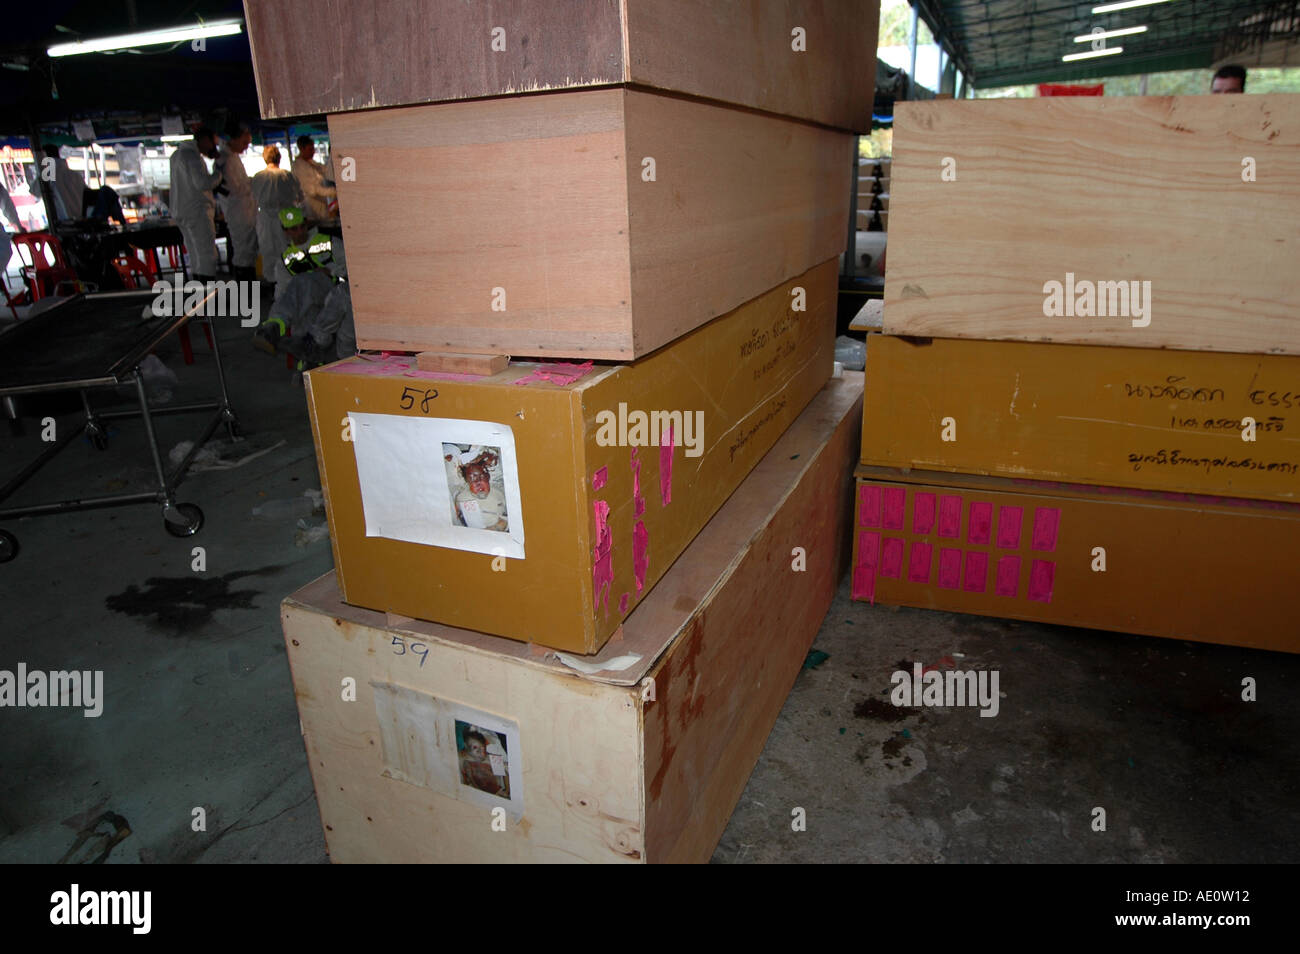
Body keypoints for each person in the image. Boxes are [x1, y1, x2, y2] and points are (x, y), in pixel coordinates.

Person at [251, 206, 354, 369]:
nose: (299, 232)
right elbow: (283, 294)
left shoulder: (328, 242)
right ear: (286, 231)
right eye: (293, 229)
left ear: (306, 224)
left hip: (337, 289)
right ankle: (308, 355)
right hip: (311, 301)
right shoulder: (285, 260)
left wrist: (330, 271)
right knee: (302, 300)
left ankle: (278, 330)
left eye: (301, 226)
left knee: (305, 282)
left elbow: (353, 269)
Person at [168, 126, 223, 281]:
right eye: (213, 143)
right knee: (206, 254)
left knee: (195, 255)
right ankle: (209, 296)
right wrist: (218, 175)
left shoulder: (177, 155)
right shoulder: (192, 156)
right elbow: (202, 183)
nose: (214, 148)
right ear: (205, 140)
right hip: (196, 212)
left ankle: (201, 296)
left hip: (182, 212)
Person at [250, 145, 304, 297]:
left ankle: (274, 286)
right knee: (287, 250)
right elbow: (300, 197)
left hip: (265, 219)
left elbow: (252, 198)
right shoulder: (287, 175)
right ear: (279, 158)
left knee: (268, 251)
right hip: (286, 217)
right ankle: (289, 285)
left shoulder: (258, 177)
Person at [216, 123, 259, 282]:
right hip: (237, 213)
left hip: (245, 211)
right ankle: (246, 289)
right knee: (243, 252)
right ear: (234, 139)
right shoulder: (225, 160)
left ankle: (249, 288)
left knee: (248, 251)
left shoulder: (232, 157)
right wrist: (252, 184)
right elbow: (235, 188)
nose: (246, 147)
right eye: (244, 143)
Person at [453, 452, 508, 531]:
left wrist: (501, 525)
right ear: (467, 482)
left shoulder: (501, 493)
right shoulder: (461, 498)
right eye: (472, 479)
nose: (478, 482)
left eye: (481, 477)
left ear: (488, 476)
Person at [291, 135, 337, 221]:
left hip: (321, 205)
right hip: (310, 207)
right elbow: (312, 190)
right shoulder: (299, 166)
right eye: (310, 149)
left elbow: (327, 171)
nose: (313, 152)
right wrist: (334, 192)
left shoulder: (312, 163)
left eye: (313, 149)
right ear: (302, 149)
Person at [458, 730, 508, 796]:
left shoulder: (491, 759)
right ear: (466, 746)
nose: (480, 752)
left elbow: (505, 773)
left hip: (496, 792)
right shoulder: (462, 758)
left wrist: (507, 790)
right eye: (475, 748)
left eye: (482, 748)